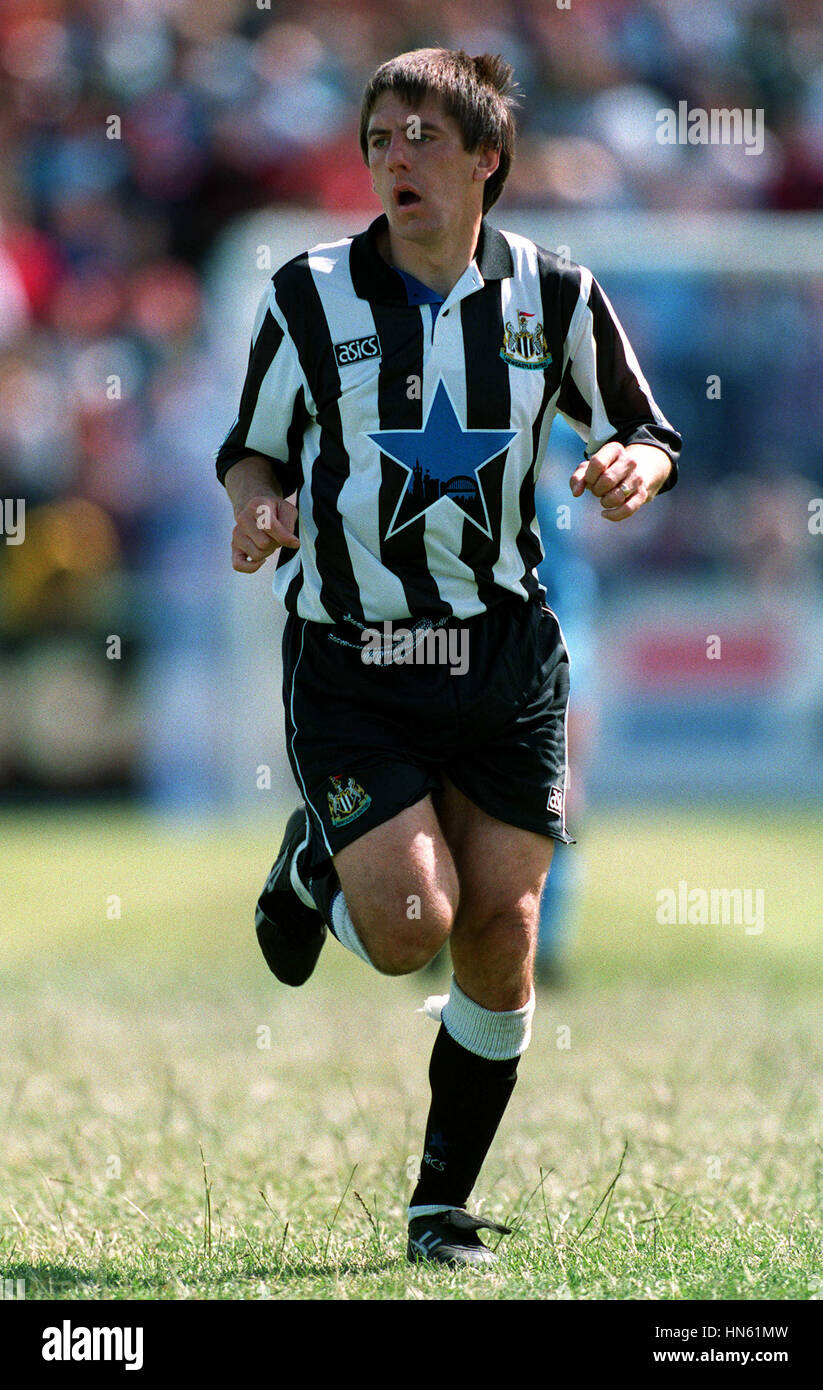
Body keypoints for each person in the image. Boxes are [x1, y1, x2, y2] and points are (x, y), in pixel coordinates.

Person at [215, 48, 681, 1268]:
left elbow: (643, 422)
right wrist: (257, 508)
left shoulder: (558, 295)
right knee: (417, 923)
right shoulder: (308, 295)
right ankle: (320, 853)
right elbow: (252, 449)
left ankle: (439, 1207)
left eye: (422, 135)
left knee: (503, 926)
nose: (394, 157)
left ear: (487, 160)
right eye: (378, 138)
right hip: (356, 658)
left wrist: (640, 462)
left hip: (504, 659)